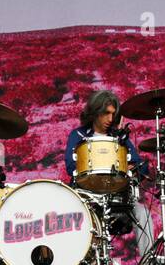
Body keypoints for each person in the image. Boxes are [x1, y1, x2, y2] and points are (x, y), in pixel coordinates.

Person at [65, 90, 152, 255]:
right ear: (95, 112)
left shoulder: (119, 138)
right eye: (106, 113)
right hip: (89, 198)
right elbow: (71, 166)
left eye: (113, 114)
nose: (110, 119)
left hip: (118, 199)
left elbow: (141, 166)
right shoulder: (78, 136)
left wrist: (131, 169)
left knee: (143, 214)